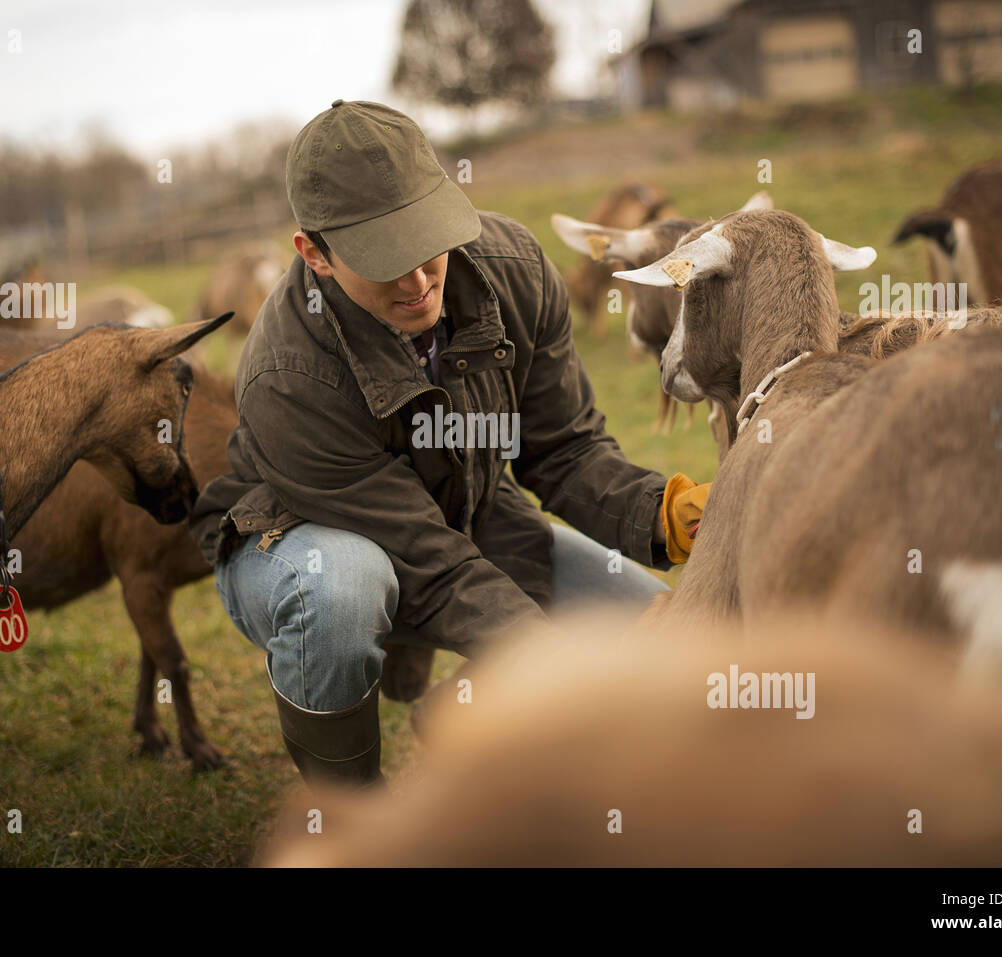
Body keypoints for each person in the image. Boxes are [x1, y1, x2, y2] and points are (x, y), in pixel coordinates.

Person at [190, 99, 709, 789]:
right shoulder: (285, 375)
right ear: (313, 252)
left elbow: (563, 449)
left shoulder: (514, 270)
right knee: (343, 587)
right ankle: (351, 812)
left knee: (672, 641)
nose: (416, 280)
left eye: (425, 239)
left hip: (466, 512)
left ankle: (457, 712)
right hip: (299, 540)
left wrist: (661, 511)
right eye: (384, 257)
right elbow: (428, 562)